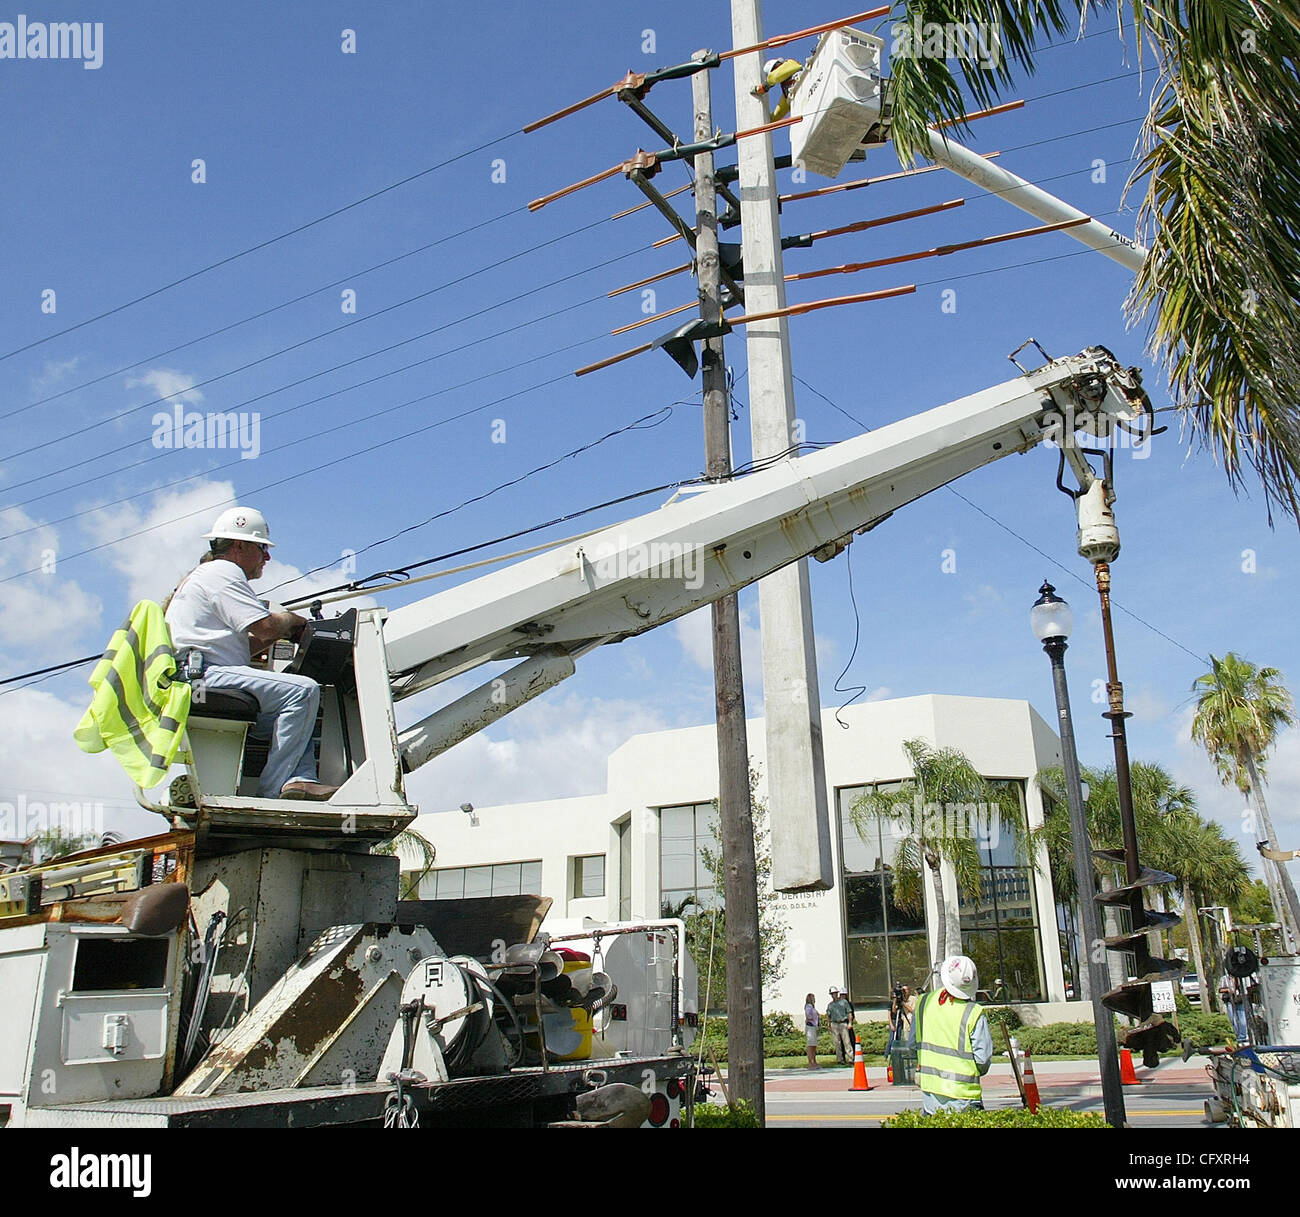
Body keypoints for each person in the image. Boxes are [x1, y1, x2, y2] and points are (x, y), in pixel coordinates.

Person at [165, 506, 338, 801]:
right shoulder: (223, 572)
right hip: (204, 675)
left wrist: (279, 631)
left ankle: (300, 779)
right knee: (303, 691)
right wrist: (293, 622)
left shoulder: (203, 576)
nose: (267, 557)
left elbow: (245, 644)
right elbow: (266, 627)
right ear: (239, 545)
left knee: (303, 715)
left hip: (201, 674)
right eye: (262, 548)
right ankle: (273, 794)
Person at [908, 956, 993, 1114]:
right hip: (964, 1097)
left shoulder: (923, 1003)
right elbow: (983, 1060)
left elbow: (912, 1045)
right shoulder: (973, 1012)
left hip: (931, 1097)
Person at [826, 986, 854, 1065]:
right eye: (832, 994)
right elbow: (828, 1016)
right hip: (834, 1024)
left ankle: (851, 1058)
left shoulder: (844, 1002)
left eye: (834, 993)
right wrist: (828, 1026)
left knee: (847, 1041)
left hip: (843, 1023)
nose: (833, 995)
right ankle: (839, 1059)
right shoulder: (830, 1005)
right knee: (836, 1042)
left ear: (837, 993)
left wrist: (850, 1023)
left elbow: (849, 1012)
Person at [886, 983, 915, 1055]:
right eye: (903, 990)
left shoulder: (911, 999)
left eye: (905, 990)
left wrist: (902, 1002)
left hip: (905, 1022)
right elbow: (893, 1012)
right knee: (892, 1038)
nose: (904, 992)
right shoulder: (892, 1002)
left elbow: (912, 1010)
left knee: (899, 1037)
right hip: (895, 1021)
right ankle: (888, 1054)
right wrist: (896, 1000)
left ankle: (898, 1054)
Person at [803, 992, 821, 1069]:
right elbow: (808, 1016)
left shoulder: (812, 1007)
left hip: (814, 1027)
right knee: (810, 1045)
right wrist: (812, 1019)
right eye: (813, 998)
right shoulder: (809, 1006)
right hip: (810, 1026)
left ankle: (814, 1061)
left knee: (814, 1045)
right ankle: (811, 1062)